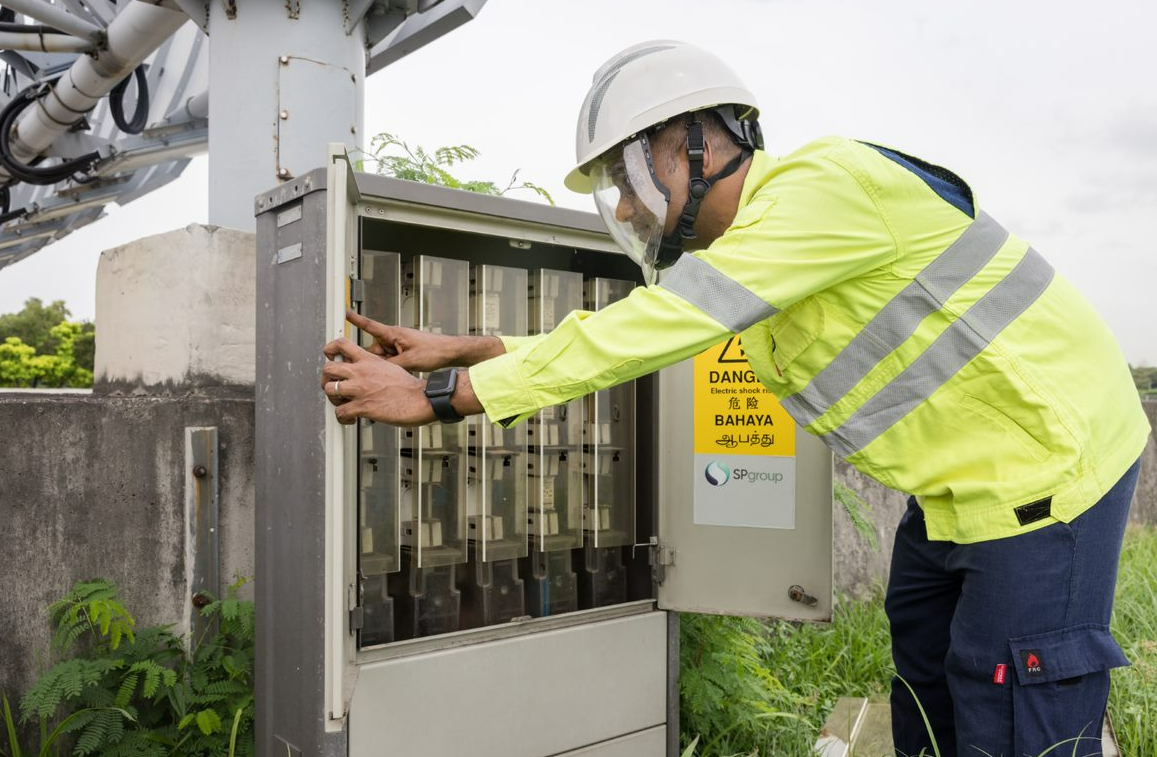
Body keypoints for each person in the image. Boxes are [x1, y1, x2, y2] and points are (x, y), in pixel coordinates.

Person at [319, 40, 1149, 756]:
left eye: (624, 176)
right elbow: (659, 333)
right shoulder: (757, 257)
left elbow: (656, 325)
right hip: (956, 486)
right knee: (926, 676)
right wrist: (485, 348)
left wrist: (444, 396)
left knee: (1009, 692)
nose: (623, 205)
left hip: (1047, 471)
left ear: (685, 149)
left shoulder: (819, 190)